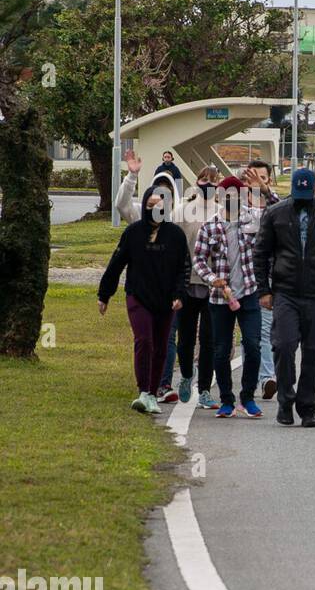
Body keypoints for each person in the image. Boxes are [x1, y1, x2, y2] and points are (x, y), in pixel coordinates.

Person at [254, 168, 315, 428]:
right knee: (284, 346)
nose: (301, 198)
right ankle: (285, 401)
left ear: (314, 189)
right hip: (285, 293)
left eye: (305, 193)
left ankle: (308, 408)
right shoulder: (275, 214)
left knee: (313, 352)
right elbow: (260, 253)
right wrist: (263, 290)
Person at [97, 183, 191, 414]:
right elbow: (116, 263)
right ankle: (142, 391)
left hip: (166, 300)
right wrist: (104, 294)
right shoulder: (133, 232)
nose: (155, 208)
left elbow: (184, 268)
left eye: (159, 204)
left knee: (160, 347)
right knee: (144, 341)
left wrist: (180, 295)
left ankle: (151, 392)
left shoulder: (175, 235)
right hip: (138, 296)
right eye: (150, 204)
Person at [193, 177, 264, 420]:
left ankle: (248, 398)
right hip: (219, 298)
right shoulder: (209, 226)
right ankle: (226, 400)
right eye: (226, 194)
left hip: (248, 293)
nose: (231, 198)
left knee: (253, 346)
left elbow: (275, 208)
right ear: (219, 197)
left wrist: (263, 189)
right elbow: (199, 260)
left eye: (236, 194)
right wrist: (212, 278)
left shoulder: (252, 221)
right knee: (221, 351)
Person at [156, 164, 222, 404]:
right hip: (187, 282)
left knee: (209, 338)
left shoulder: (222, 211)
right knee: (185, 338)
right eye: (204, 179)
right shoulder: (182, 212)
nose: (208, 184)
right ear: (197, 182)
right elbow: (172, 244)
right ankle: (185, 375)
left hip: (213, 284)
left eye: (213, 180)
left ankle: (204, 388)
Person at [240, 160, 280, 401]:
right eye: (250, 179)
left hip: (267, 281)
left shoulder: (274, 207)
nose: (255, 182)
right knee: (248, 337)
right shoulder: (235, 207)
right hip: (239, 281)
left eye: (262, 178)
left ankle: (267, 378)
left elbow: (281, 206)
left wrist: (263, 191)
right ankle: (251, 380)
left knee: (264, 332)